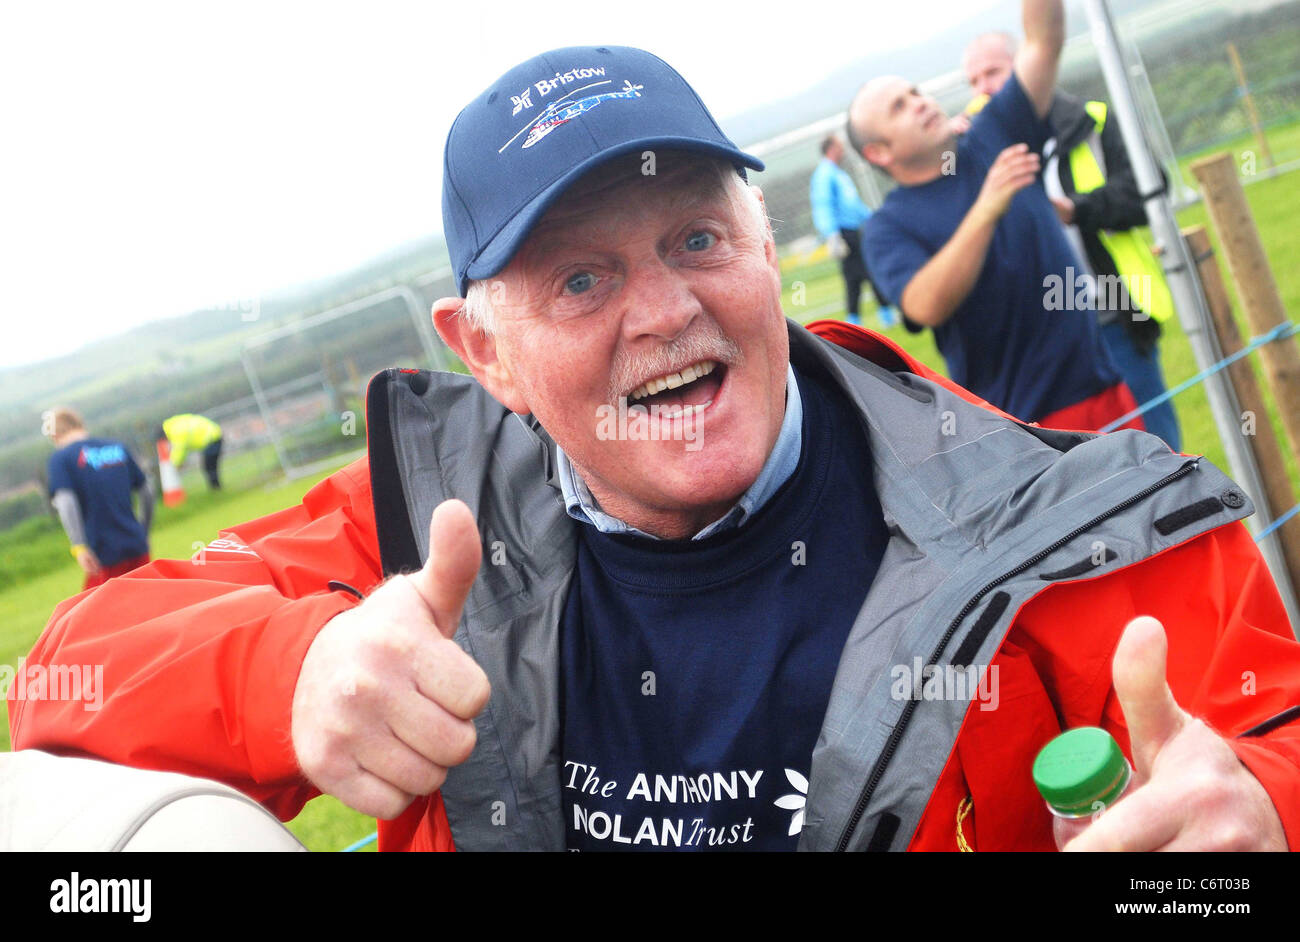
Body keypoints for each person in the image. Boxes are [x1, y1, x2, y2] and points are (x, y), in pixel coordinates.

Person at [9, 32, 1300, 854]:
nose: (667, 310)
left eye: (697, 238)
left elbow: (1270, 739)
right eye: (580, 280)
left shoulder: (1070, 529)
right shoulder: (417, 523)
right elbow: (64, 674)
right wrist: (294, 667)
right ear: (484, 352)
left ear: (764, 249)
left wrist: (1257, 810)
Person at [848, 10, 1144, 435]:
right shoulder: (887, 227)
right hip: (1020, 427)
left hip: (1105, 387)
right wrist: (987, 208)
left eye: (915, 92)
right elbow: (924, 303)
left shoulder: (994, 133)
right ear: (879, 153)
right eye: (899, 107)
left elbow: (1044, 40)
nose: (919, 103)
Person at [964, 31, 1182, 450]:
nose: (983, 88)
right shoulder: (975, 148)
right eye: (972, 81)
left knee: (1157, 454)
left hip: (1112, 316)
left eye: (993, 72)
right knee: (1075, 472)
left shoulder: (1092, 121)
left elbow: (1147, 189)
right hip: (1040, 342)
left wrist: (1074, 209)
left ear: (1028, 66)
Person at [42, 407, 152, 591]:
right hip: (137, 543)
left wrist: (79, 546)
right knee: (148, 602)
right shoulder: (117, 447)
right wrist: (144, 530)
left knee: (96, 616)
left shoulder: (61, 459)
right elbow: (146, 490)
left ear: (55, 435)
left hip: (102, 553)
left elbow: (66, 503)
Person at [808, 135, 897, 328]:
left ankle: (856, 320)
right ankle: (884, 313)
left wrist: (871, 218)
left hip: (854, 230)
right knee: (868, 269)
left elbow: (852, 204)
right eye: (840, 146)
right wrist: (831, 234)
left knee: (854, 276)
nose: (843, 150)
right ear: (831, 148)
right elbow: (823, 205)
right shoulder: (825, 175)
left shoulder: (838, 174)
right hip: (844, 233)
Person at [156, 413, 224, 490]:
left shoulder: (176, 430)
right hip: (213, 434)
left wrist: (175, 465)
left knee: (210, 466)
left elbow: (180, 449)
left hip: (212, 438)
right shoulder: (174, 424)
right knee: (209, 466)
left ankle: (216, 489)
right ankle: (216, 489)